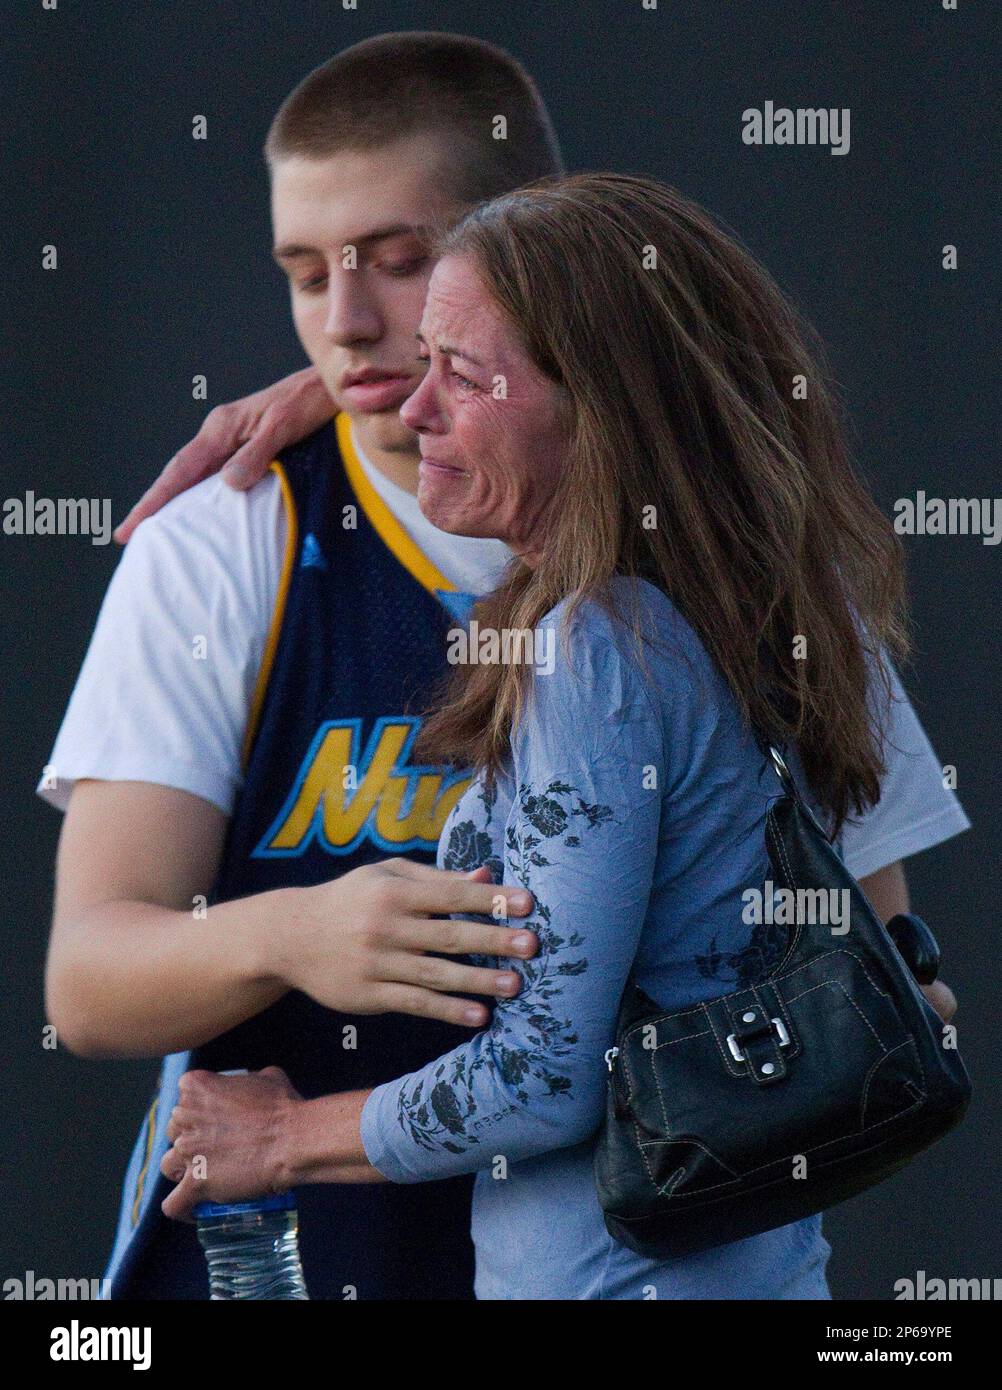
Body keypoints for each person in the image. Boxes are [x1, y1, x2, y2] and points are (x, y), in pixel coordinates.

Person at [40, 35, 967, 1300]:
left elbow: (880, 957)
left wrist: (855, 1002)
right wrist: (297, 932)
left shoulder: (717, 567)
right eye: (305, 274)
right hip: (304, 1260)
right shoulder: (237, 529)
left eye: (404, 263)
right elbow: (84, 985)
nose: (352, 325)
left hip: (611, 1253)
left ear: (537, 258)